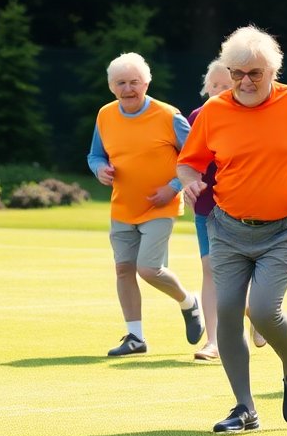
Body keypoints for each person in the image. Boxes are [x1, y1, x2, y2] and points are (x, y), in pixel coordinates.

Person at [177, 26, 287, 432]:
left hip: (285, 230)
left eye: (254, 73)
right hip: (228, 229)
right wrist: (188, 180)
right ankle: (245, 408)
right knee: (230, 314)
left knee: (265, 310)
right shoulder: (215, 111)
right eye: (237, 73)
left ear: (273, 71)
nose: (245, 82)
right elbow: (189, 160)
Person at [87, 52, 204, 357]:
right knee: (124, 269)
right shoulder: (105, 115)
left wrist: (174, 187)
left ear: (147, 82)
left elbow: (194, 157)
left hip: (161, 205)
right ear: (112, 87)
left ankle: (189, 302)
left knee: (148, 269)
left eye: (134, 82)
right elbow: (95, 155)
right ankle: (135, 337)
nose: (128, 88)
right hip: (123, 205)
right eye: (121, 83)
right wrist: (100, 169)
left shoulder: (168, 116)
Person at [186, 60, 266, 362]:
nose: (220, 90)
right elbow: (185, 161)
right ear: (207, 88)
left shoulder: (246, 118)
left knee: (232, 276)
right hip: (206, 210)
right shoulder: (196, 117)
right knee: (210, 269)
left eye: (226, 85)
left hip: (239, 210)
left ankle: (258, 314)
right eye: (215, 85)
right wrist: (187, 185)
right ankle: (213, 341)